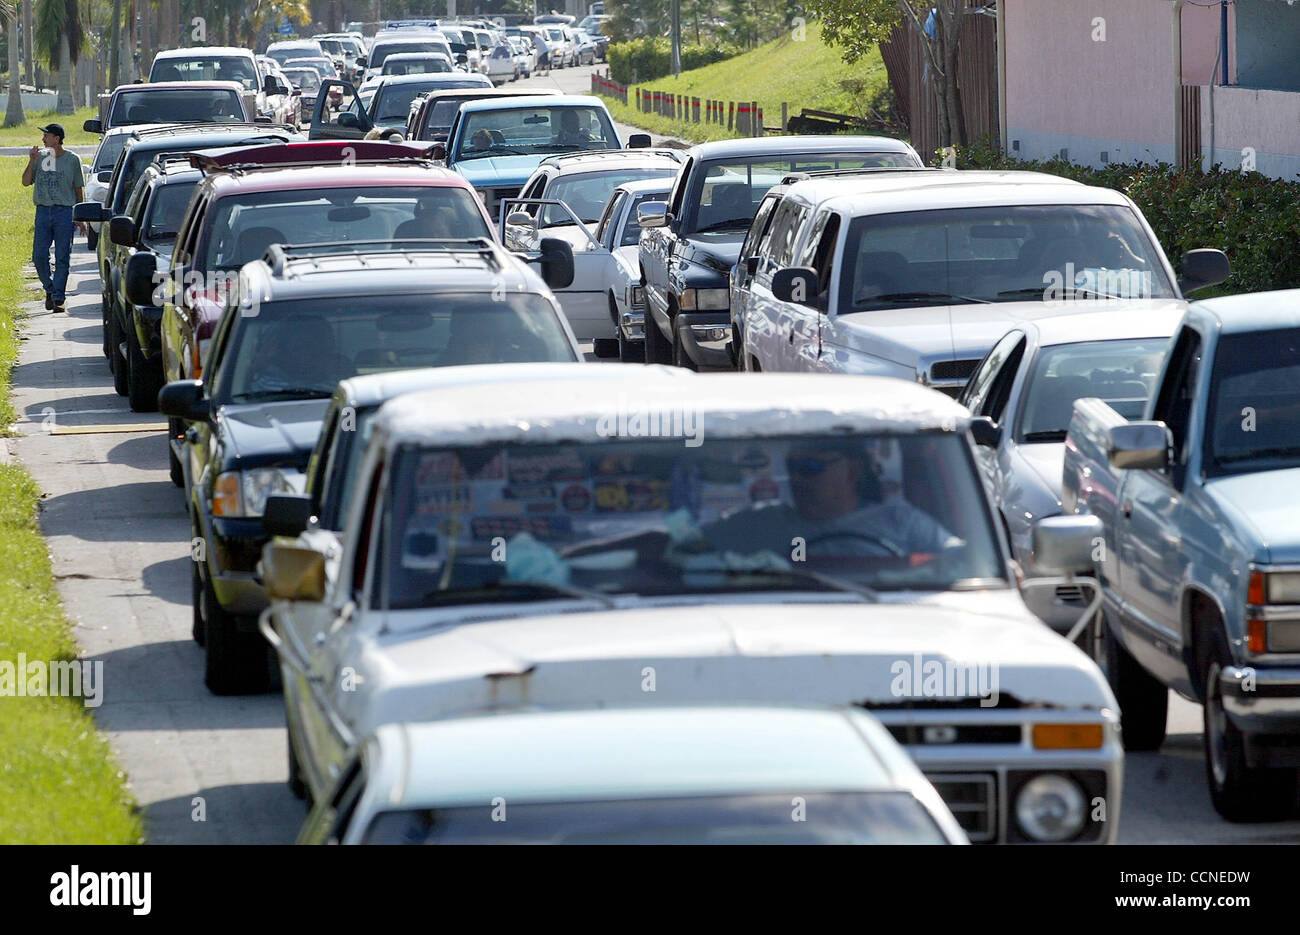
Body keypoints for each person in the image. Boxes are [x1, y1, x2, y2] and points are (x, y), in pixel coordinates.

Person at [699, 439, 959, 558]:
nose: (797, 480)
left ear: (853, 470)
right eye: (792, 469)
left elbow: (963, 561)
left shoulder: (901, 522)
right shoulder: (763, 522)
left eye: (811, 468)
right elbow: (684, 545)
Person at [22, 124, 85, 313]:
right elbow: (25, 181)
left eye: (46, 136)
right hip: (43, 212)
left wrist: (80, 216)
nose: (43, 140)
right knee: (39, 256)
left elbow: (78, 190)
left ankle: (58, 298)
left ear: (56, 139)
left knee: (62, 257)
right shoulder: (41, 157)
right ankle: (49, 289)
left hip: (64, 213)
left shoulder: (73, 160)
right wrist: (31, 161)